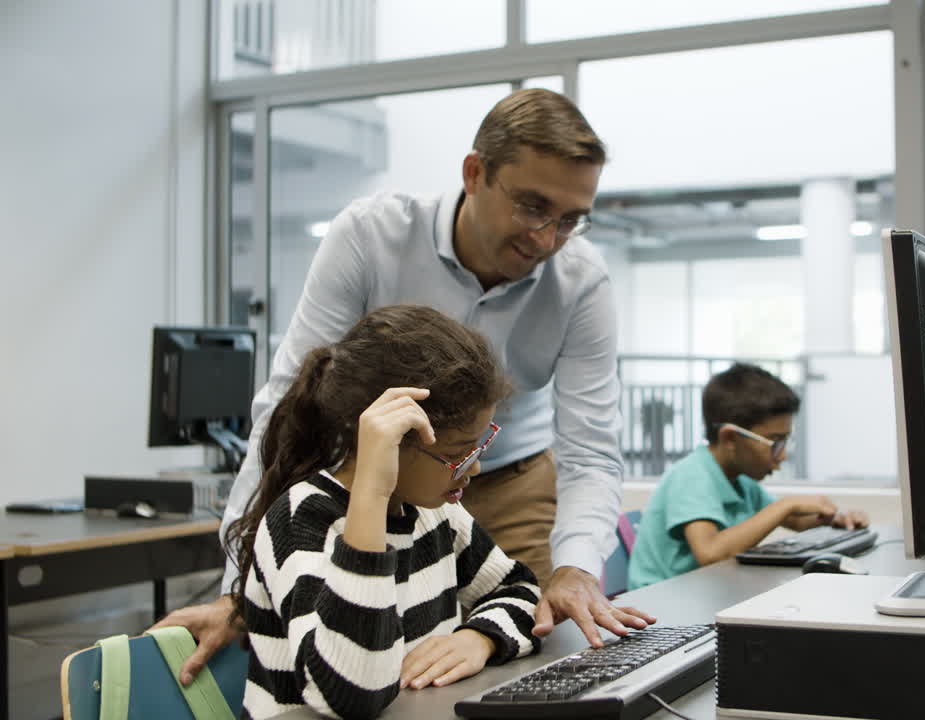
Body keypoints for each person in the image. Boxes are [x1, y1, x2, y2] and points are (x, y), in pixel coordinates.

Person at [153, 88, 653, 685]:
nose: (547, 238)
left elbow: (590, 447)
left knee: (535, 660)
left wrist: (575, 569)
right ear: (475, 173)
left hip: (513, 481)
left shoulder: (581, 281)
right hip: (378, 482)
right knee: (370, 655)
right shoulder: (371, 235)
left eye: (570, 219)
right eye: (532, 206)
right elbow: (287, 403)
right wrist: (245, 582)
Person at [229, 305, 540, 719]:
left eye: (477, 447)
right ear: (388, 442)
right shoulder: (302, 520)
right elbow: (352, 695)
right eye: (455, 455)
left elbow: (520, 590)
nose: (475, 467)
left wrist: (480, 638)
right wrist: (372, 495)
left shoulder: (436, 514)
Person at [627, 363, 869, 589]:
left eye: (786, 442)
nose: (782, 455)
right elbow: (711, 554)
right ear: (730, 438)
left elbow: (795, 521)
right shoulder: (692, 475)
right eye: (774, 442)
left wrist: (834, 520)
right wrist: (787, 504)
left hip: (702, 592)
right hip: (661, 609)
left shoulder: (740, 481)